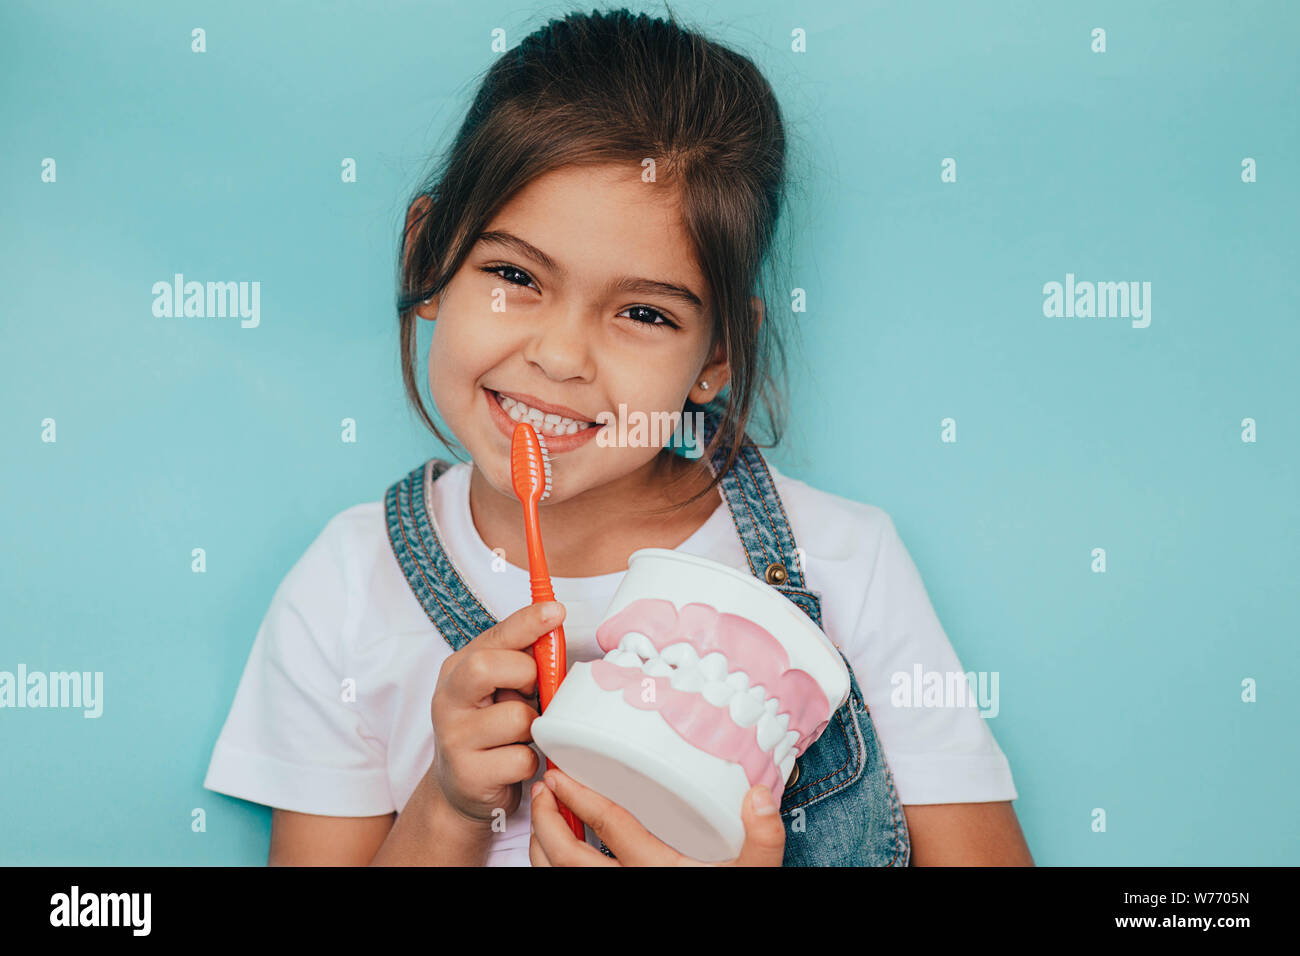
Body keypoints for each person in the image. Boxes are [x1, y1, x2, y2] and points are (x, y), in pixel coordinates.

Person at [203, 7, 1033, 866]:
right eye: (514, 274)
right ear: (428, 259)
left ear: (716, 355)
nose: (561, 358)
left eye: (643, 312)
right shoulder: (346, 590)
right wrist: (448, 808)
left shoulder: (847, 566)